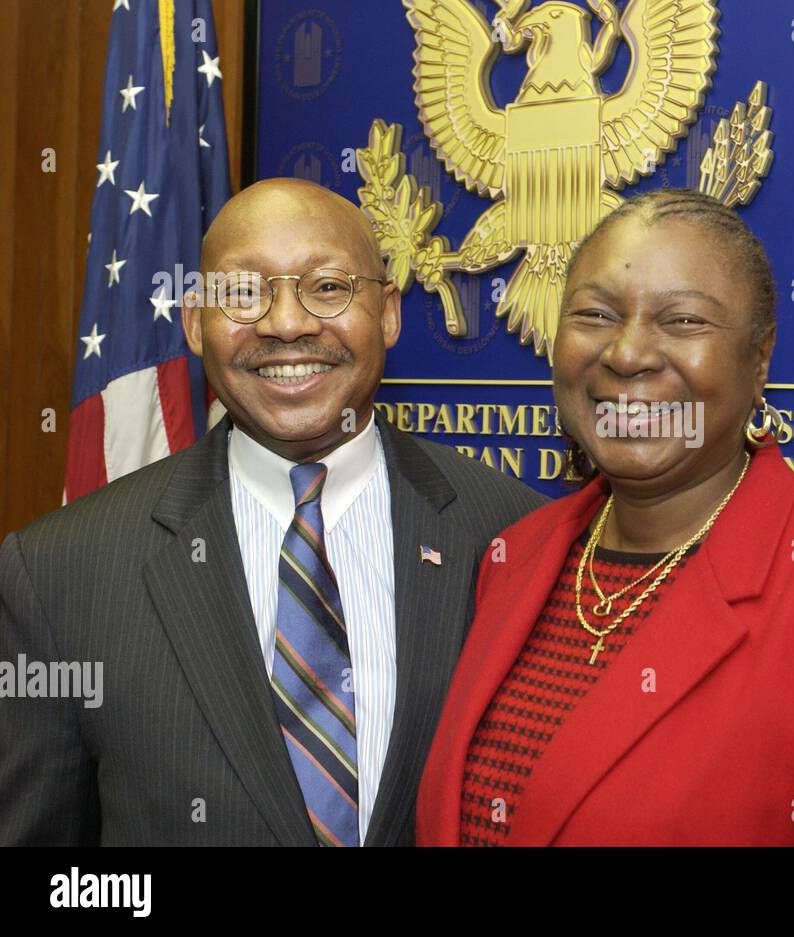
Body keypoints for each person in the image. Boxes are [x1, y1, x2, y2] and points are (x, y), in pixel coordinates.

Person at [415, 189, 794, 846]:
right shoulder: (514, 555)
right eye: (595, 314)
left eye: (683, 321)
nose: (627, 354)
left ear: (761, 357)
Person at [0, 178, 544, 846]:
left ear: (390, 314)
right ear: (196, 322)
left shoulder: (515, 537)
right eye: (243, 292)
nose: (287, 323)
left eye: (327, 287)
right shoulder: (59, 571)